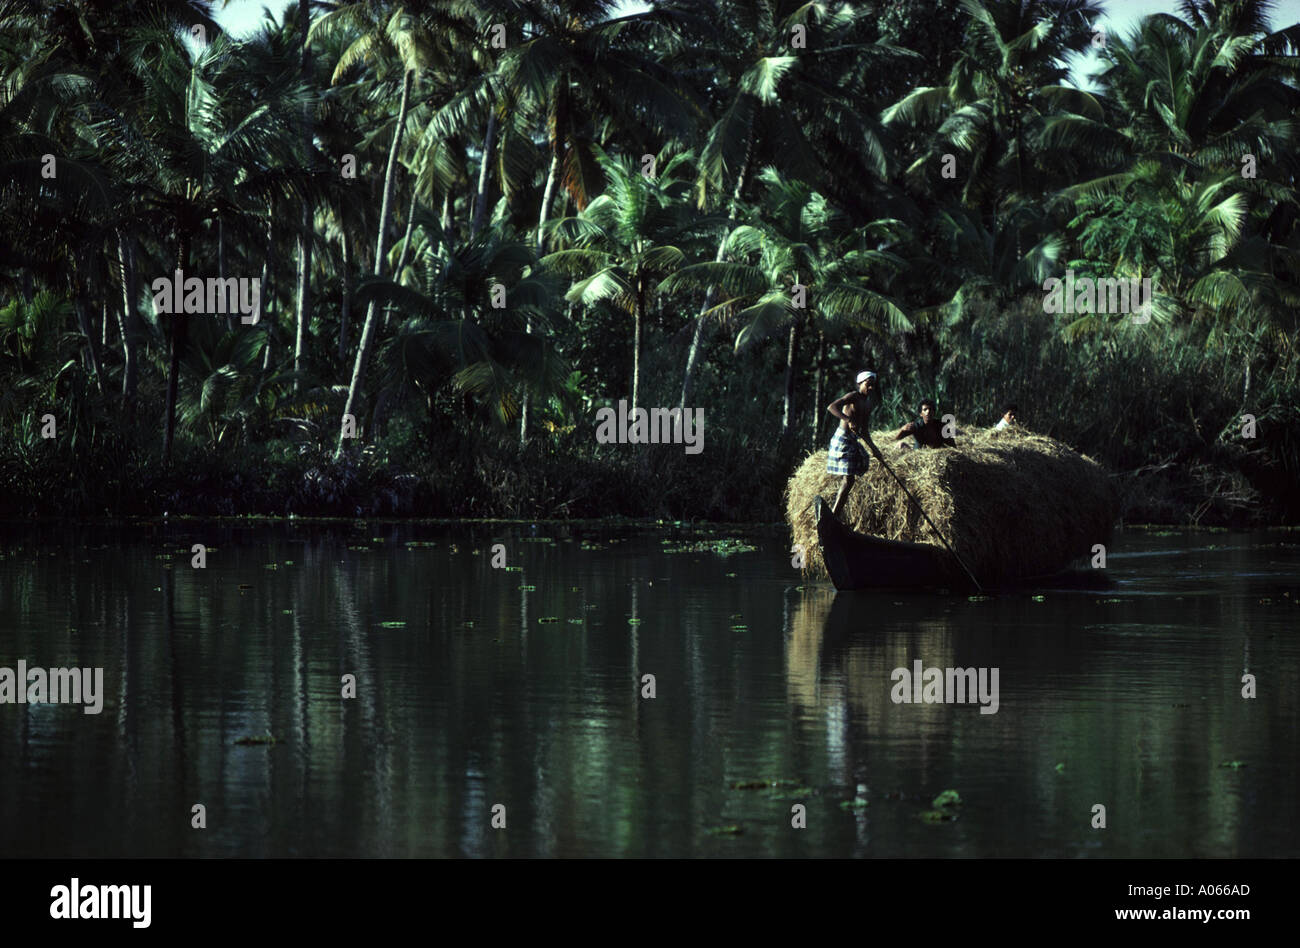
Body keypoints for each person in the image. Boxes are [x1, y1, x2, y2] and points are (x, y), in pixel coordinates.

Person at [825, 371, 880, 515]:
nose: (871, 388)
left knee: (857, 470)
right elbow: (831, 407)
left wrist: (875, 449)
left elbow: (865, 432)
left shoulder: (868, 405)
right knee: (849, 480)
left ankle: (835, 513)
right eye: (868, 384)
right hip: (842, 438)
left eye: (873, 385)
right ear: (860, 383)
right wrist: (848, 420)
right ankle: (834, 514)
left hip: (852, 440)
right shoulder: (853, 396)